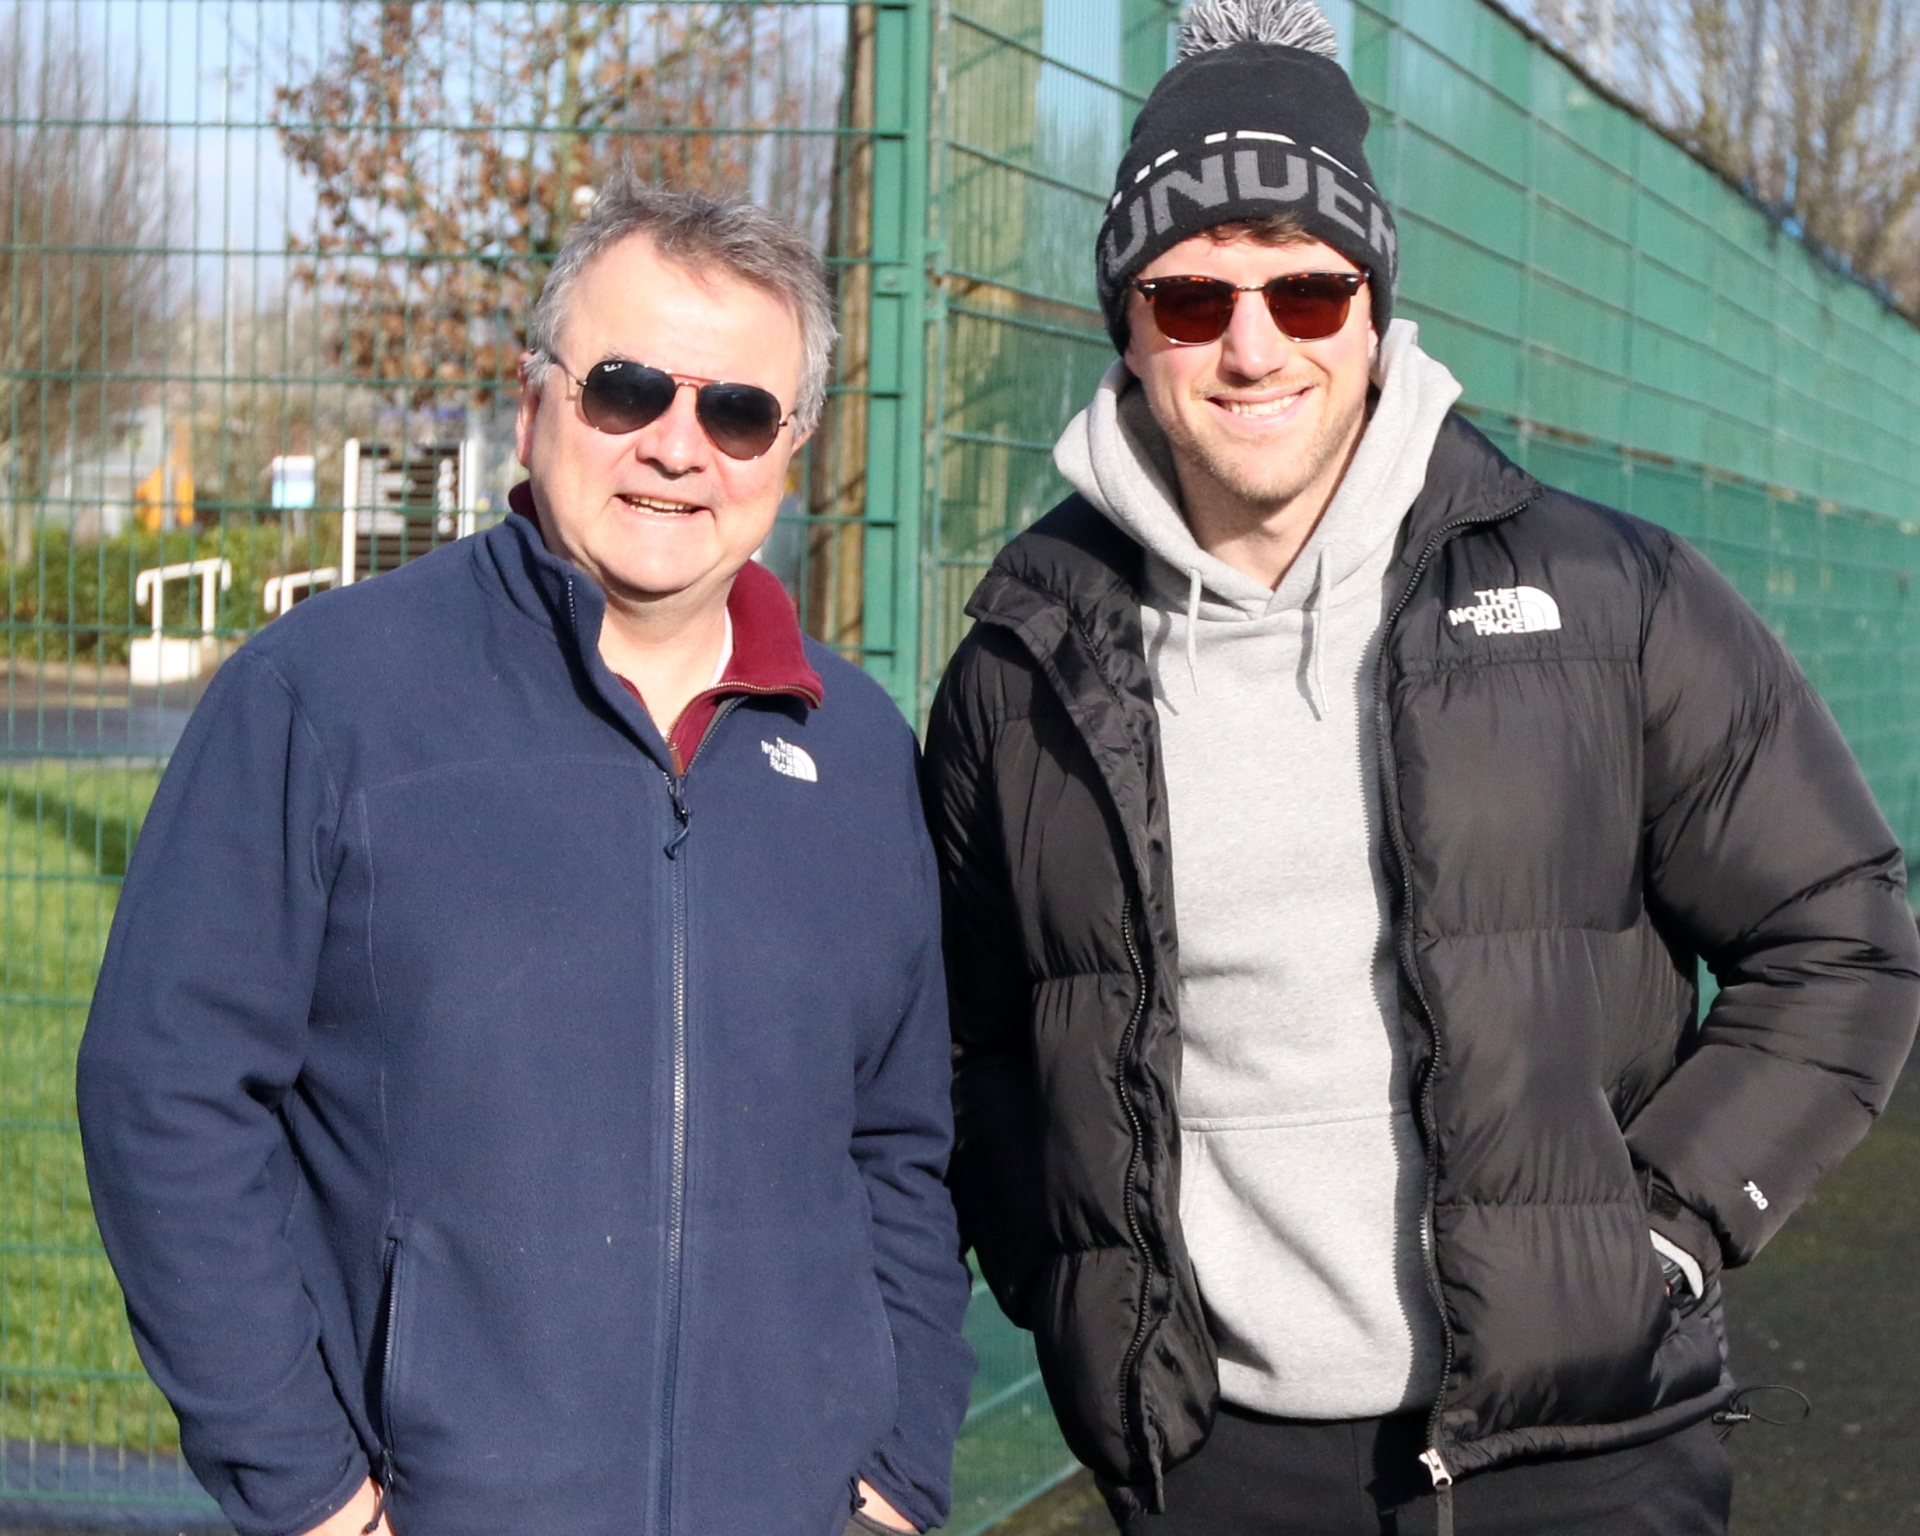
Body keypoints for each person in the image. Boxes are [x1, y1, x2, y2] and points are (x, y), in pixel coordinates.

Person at [920, 3, 1920, 1533]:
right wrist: (1068, 1282)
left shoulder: (1614, 596)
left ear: (1374, 311)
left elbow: (1838, 936)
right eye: (1193, 301)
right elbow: (967, 1038)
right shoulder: (1022, 663)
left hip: (1584, 1457)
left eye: (1307, 292)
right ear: (1127, 325)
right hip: (1210, 1468)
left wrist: (1658, 1239)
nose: (1254, 345)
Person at [78, 174, 973, 1536]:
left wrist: (899, 1473)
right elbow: (167, 1097)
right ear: (534, 398)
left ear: (790, 450)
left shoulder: (851, 751)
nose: (680, 447)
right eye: (628, 388)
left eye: (738, 411)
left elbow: (902, 1147)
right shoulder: (326, 698)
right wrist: (314, 1494)